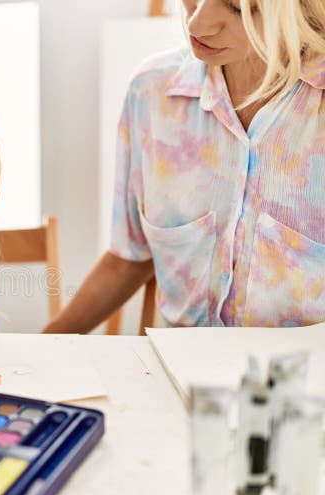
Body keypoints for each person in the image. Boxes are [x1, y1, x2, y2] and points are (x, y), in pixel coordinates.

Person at [45, 0, 325, 333]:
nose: (197, 23)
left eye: (238, 8)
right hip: (179, 377)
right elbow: (128, 259)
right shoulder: (152, 92)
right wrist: (37, 357)